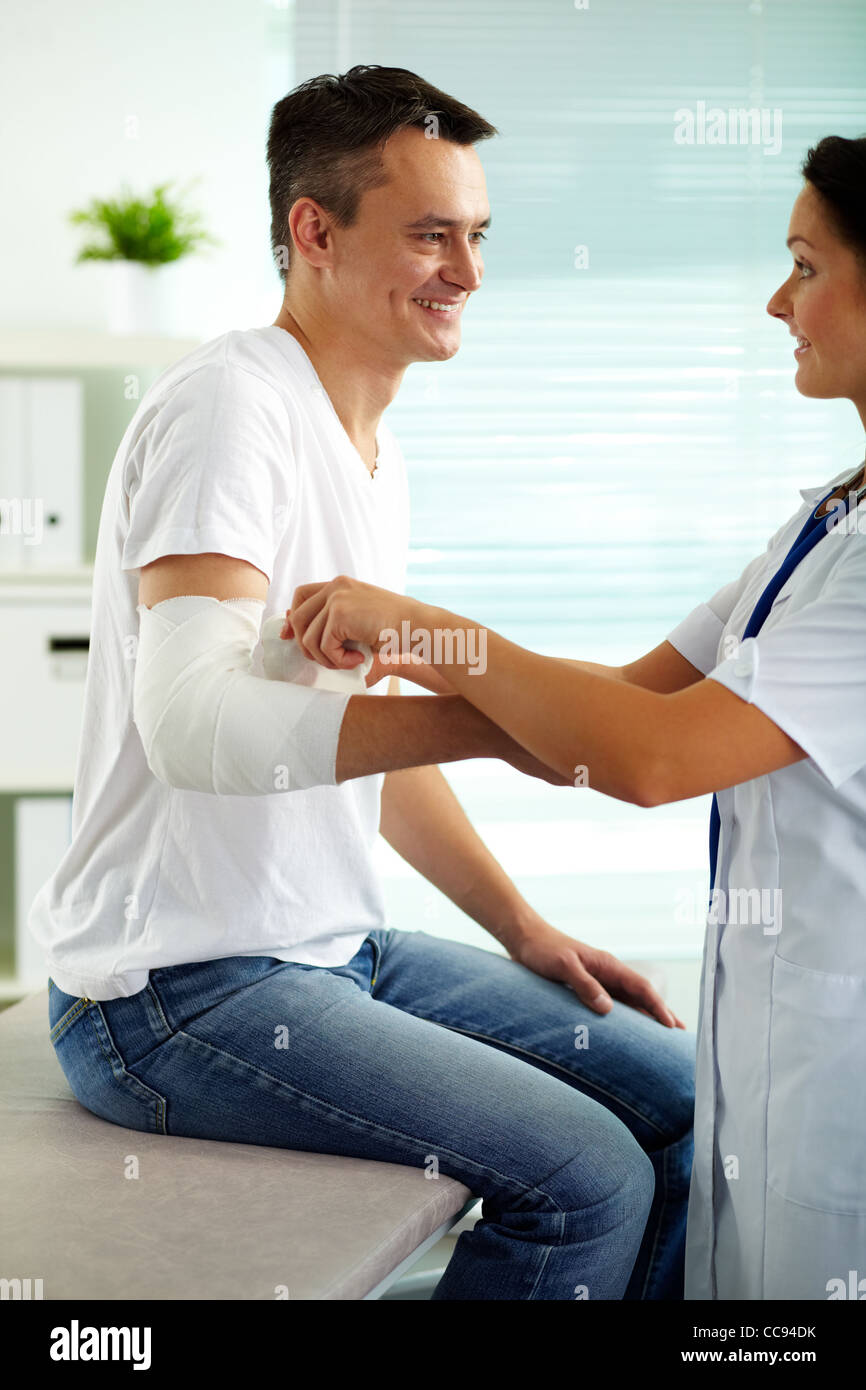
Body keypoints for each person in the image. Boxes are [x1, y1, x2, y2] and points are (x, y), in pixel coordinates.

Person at [34, 65, 695, 1302]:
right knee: (588, 1177)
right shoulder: (231, 409)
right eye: (430, 234)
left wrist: (520, 928)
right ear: (314, 232)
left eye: (477, 234)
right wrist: (492, 720)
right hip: (174, 988)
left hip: (337, 949)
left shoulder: (372, 451)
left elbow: (345, 749)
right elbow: (192, 726)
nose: (468, 270)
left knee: (674, 1093)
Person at [287, 133, 866, 1302]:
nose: (775, 300)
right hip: (780, 1070)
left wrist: (412, 627)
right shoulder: (822, 527)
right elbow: (614, 699)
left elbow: (646, 757)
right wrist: (422, 657)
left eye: (803, 265)